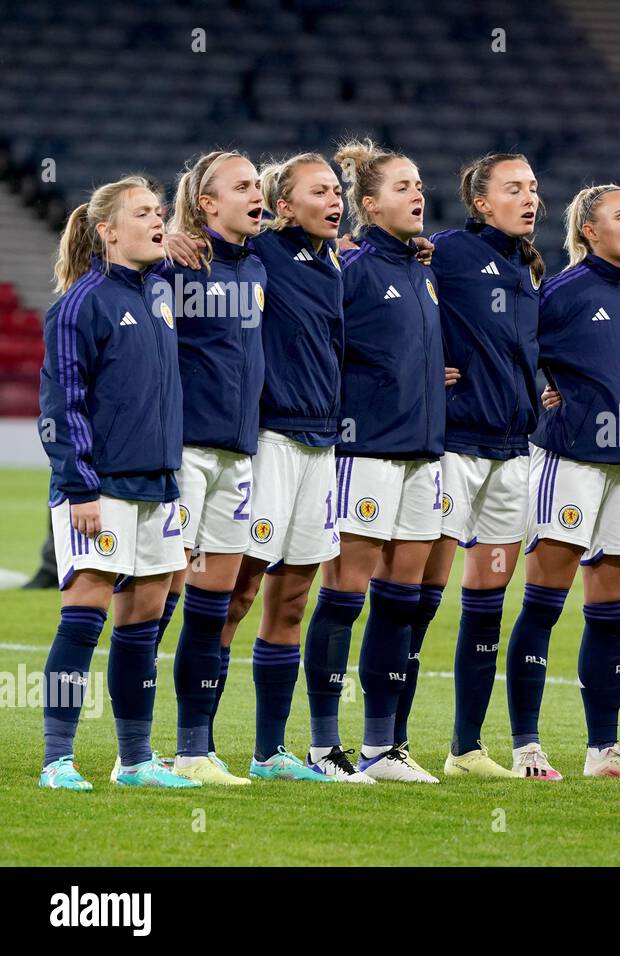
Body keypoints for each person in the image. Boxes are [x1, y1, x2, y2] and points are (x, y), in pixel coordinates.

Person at [300, 139, 452, 783]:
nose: (416, 195)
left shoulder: (423, 268)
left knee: (401, 600)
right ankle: (322, 744)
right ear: (369, 204)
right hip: (365, 453)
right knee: (344, 596)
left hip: (423, 455)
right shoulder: (351, 268)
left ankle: (382, 748)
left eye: (418, 185)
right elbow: (321, 349)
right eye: (401, 187)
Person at [37, 176, 195, 789]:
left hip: (157, 486)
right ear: (107, 231)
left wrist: (173, 486)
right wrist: (78, 487)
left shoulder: (158, 293)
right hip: (99, 488)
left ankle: (134, 761)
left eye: (160, 211)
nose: (158, 220)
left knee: (144, 621)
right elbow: (63, 403)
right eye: (143, 213)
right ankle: (57, 759)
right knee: (83, 618)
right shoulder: (81, 302)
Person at [507, 183, 620, 778]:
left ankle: (603, 749)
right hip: (570, 459)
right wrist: (539, 399)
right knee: (544, 605)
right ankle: (526, 746)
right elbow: (516, 352)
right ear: (589, 231)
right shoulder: (565, 291)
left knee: (610, 614)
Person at [218, 153, 349, 782]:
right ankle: (198, 745)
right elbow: (212, 242)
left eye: (338, 190)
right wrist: (189, 240)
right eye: (319, 191)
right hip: (270, 442)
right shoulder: (260, 255)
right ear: (283, 204)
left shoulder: (335, 265)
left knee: (292, 600)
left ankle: (269, 753)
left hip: (321, 449)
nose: (334, 199)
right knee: (237, 594)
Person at [425, 153, 547, 779]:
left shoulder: (528, 268)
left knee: (488, 602)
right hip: (452, 447)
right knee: (419, 596)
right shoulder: (443, 252)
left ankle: (465, 749)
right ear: (479, 203)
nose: (530, 198)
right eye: (513, 189)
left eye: (532, 188)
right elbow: (362, 267)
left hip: (511, 453)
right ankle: (379, 746)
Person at [154, 150, 266, 785]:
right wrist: (162, 239)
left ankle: (195, 751)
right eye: (243, 186)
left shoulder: (259, 264)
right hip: (186, 452)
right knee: (159, 598)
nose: (259, 193)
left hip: (238, 454)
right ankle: (134, 752)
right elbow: (93, 266)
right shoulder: (170, 263)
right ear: (206, 203)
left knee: (212, 604)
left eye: (259, 184)